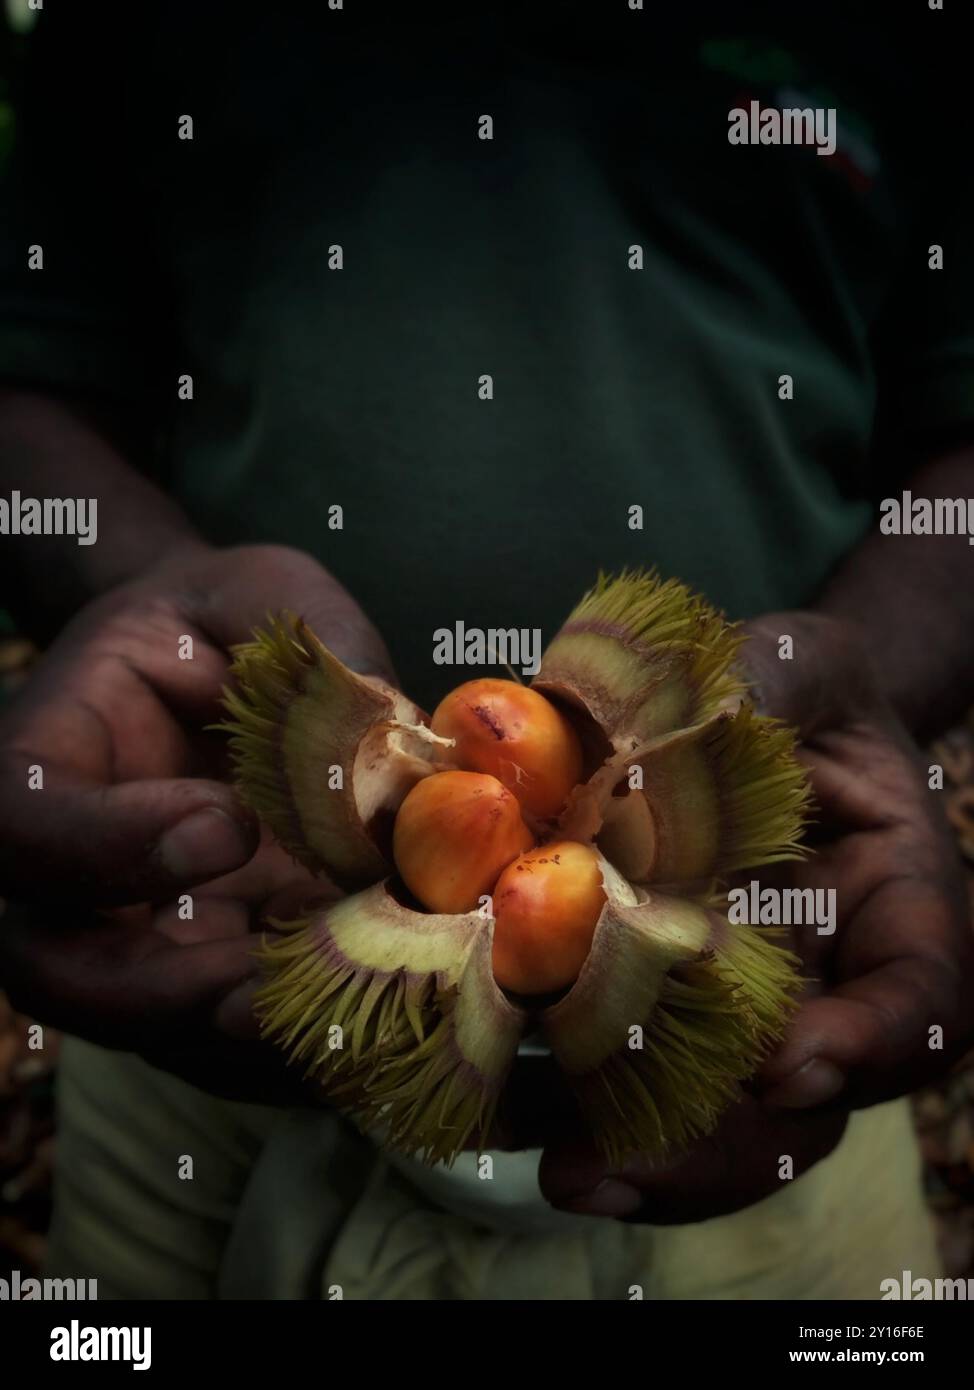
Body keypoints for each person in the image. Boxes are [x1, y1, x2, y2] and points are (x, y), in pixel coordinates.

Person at [0, 2, 971, 1298]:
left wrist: (851, 699)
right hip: (209, 1045)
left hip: (764, 1005)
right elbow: (32, 376)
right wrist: (156, 611)